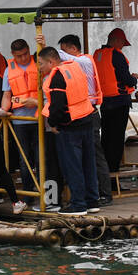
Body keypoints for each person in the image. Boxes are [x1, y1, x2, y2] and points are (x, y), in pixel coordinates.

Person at [38, 46, 98, 215]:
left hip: (69, 125)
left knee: (73, 166)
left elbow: (57, 104)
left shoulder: (57, 76)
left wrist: (53, 123)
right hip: (86, 120)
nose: (40, 67)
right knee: (88, 164)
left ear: (51, 61)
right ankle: (92, 201)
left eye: (41, 64)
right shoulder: (75, 67)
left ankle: (78, 204)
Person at [58, 34, 111, 205]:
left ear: (73, 49)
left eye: (64, 50)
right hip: (80, 115)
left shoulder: (84, 61)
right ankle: (89, 194)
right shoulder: (77, 62)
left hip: (89, 114)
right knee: (84, 156)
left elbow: (63, 59)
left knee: (95, 155)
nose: (63, 55)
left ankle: (104, 193)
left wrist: (48, 49)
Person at [1, 38, 48, 201]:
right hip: (19, 121)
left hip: (38, 119)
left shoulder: (38, 63)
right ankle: (28, 194)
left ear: (29, 50)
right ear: (13, 55)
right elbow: (7, 96)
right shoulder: (9, 70)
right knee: (24, 159)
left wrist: (44, 45)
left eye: (25, 54)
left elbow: (48, 88)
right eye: (19, 56)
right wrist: (2, 112)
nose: (23, 58)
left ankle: (44, 194)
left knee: (40, 156)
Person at [92, 28, 137, 177]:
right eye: (123, 43)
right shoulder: (117, 55)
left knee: (106, 139)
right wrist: (134, 79)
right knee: (116, 142)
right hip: (119, 102)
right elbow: (125, 79)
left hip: (104, 103)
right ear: (117, 41)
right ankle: (113, 176)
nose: (123, 46)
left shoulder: (97, 55)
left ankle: (103, 176)